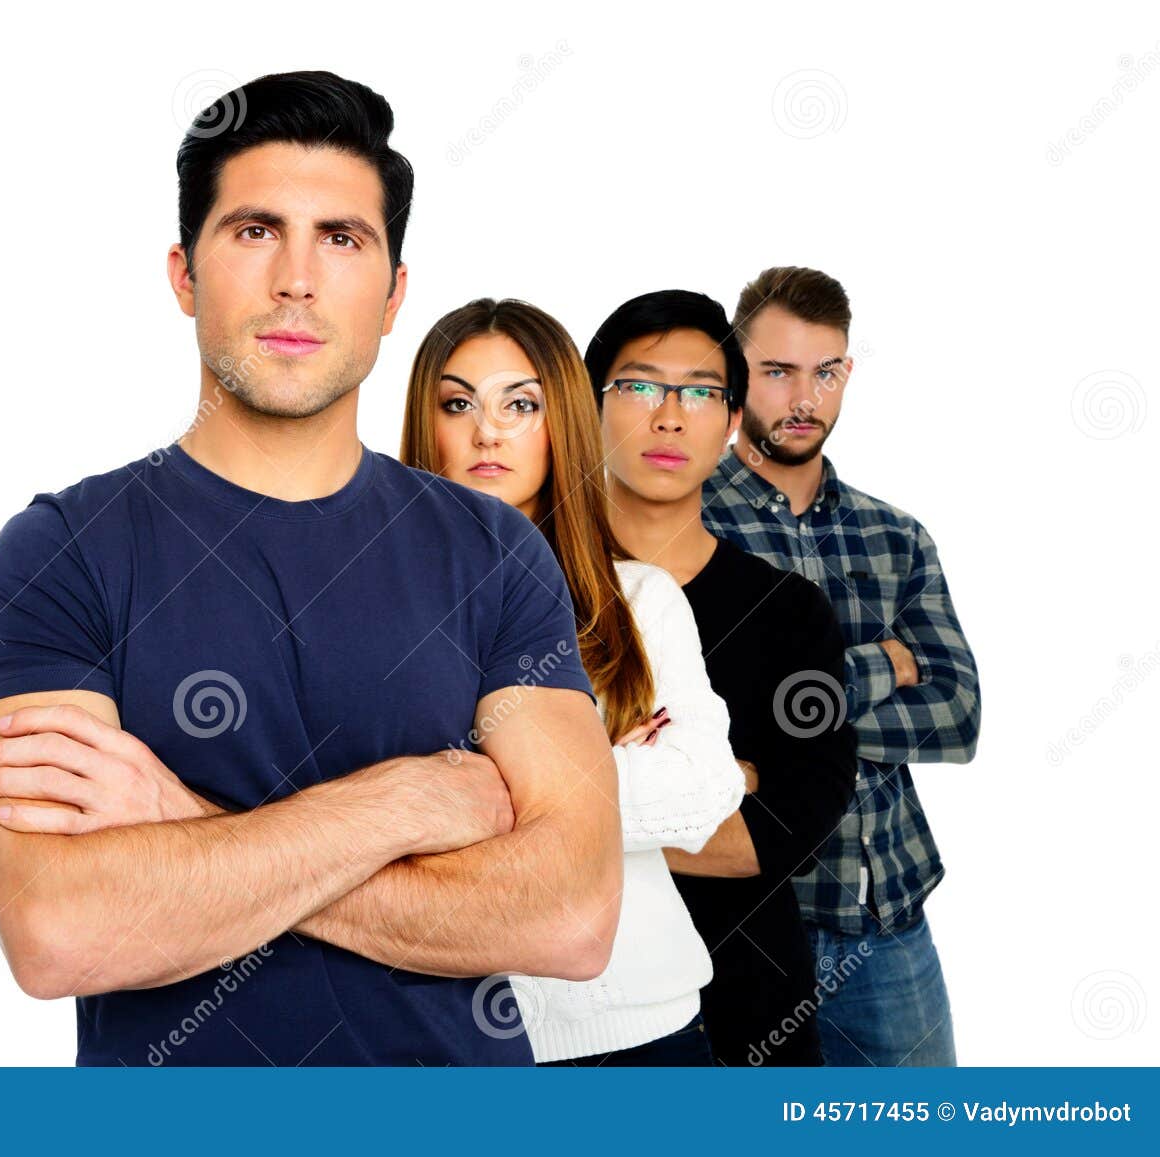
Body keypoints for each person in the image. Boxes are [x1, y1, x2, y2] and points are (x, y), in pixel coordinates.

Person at [0, 70, 623, 1067]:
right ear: (184, 273)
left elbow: (571, 914)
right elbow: (60, 929)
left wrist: (182, 823)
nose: (297, 280)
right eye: (256, 230)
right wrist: (406, 802)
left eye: (342, 238)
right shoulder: (66, 548)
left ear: (395, 292)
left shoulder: (491, 552)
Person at [398, 297, 747, 1065]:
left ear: (561, 422)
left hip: (640, 1031)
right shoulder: (374, 607)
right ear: (426, 425)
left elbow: (700, 789)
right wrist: (592, 765)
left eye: (521, 403)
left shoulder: (641, 599)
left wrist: (457, 788)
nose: (488, 430)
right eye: (458, 403)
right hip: (437, 1028)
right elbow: (343, 804)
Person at [703, 266, 981, 1066]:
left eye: (825, 372)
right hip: (749, 922)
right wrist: (882, 664)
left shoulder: (896, 536)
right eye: (779, 371)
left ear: (847, 372)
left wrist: (797, 720)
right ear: (734, 372)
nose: (805, 399)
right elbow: (708, 729)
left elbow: (959, 712)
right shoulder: (688, 527)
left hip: (889, 921)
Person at [583, 289, 859, 1066]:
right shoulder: (527, 590)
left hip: (751, 1009)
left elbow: (792, 824)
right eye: (639, 385)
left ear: (733, 420)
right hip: (571, 1021)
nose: (670, 416)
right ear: (587, 405)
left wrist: (564, 810)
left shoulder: (790, 611)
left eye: (702, 392)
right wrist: (706, 785)